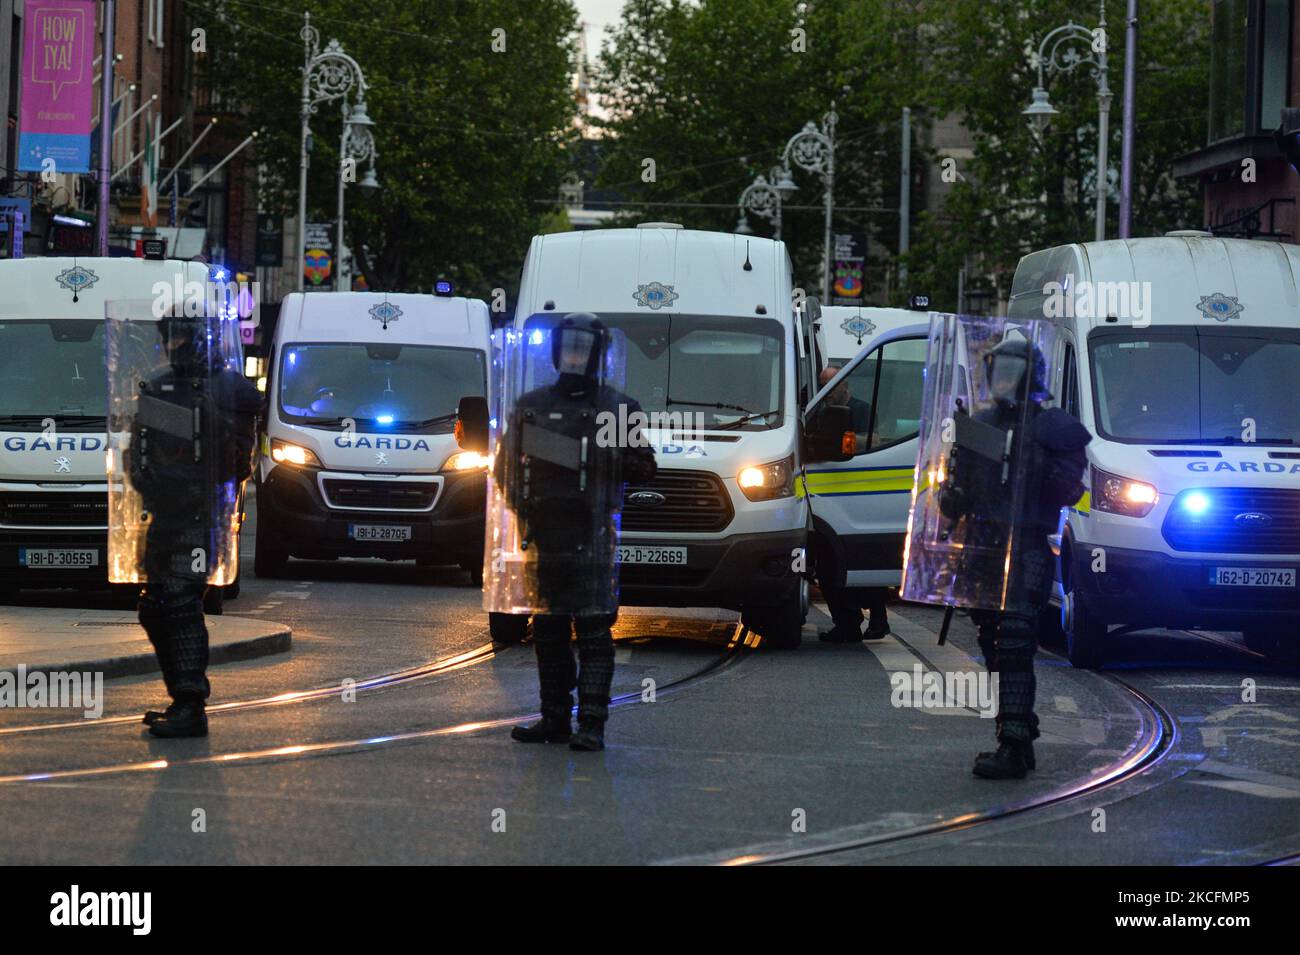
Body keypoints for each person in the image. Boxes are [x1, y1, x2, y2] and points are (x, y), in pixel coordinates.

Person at [501, 314, 657, 752]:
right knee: (548, 630)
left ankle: (592, 722)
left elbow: (647, 467)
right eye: (566, 345)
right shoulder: (530, 405)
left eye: (581, 346)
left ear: (596, 353)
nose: (573, 354)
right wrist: (526, 509)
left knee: (592, 629)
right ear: (554, 351)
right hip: (546, 534)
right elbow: (504, 469)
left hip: (592, 533)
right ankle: (554, 718)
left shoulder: (618, 408)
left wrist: (607, 460)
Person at [938, 339, 1090, 778]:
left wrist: (1034, 457)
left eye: (1012, 369)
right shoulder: (981, 425)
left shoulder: (1052, 428)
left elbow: (1067, 491)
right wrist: (959, 472)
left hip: (1025, 545)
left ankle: (1014, 742)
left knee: (1016, 640)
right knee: (992, 643)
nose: (1003, 377)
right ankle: (1016, 730)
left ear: (1031, 375)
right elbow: (954, 503)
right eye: (998, 368)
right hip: (985, 547)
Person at [130, 315, 261, 738]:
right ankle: (179, 697)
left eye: (182, 336)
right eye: (170, 338)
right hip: (164, 511)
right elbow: (141, 451)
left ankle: (191, 704)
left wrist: (209, 425)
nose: (175, 346)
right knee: (154, 607)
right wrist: (149, 477)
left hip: (201, 514)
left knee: (181, 600)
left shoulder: (228, 390)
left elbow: (237, 462)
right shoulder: (161, 386)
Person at [814, 365, 890, 643]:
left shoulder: (861, 410)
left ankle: (877, 619)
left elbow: (875, 441)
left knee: (865, 559)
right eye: (822, 386)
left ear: (844, 385)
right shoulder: (821, 413)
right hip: (832, 490)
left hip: (861, 489)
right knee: (832, 563)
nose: (827, 393)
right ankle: (849, 620)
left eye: (831, 386)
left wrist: (840, 441)